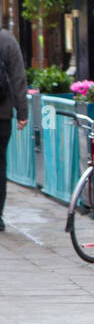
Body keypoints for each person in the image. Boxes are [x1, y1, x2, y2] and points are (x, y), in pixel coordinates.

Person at [0, 26, 30, 232]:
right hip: (1, 114)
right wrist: (22, 113)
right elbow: (19, 78)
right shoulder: (6, 40)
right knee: (0, 164)